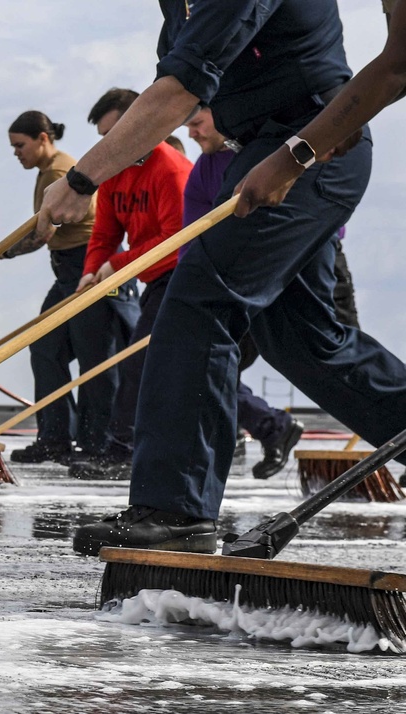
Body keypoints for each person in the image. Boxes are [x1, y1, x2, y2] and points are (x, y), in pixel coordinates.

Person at [35, 0, 406, 557]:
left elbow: (181, 88)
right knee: (304, 340)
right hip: (260, 150)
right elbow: (178, 78)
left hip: (313, 144)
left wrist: (83, 178)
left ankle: (175, 510)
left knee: (199, 306)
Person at [66, 90, 193, 480]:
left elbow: (176, 239)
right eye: (104, 137)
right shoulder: (113, 172)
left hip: (183, 275)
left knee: (142, 362)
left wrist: (115, 266)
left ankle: (122, 450)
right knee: (160, 365)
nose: (110, 144)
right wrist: (90, 272)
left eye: (114, 134)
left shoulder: (170, 169)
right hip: (151, 277)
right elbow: (105, 233)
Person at [4, 109, 139, 465]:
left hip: (89, 267)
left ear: (42, 139)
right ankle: (55, 437)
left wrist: (7, 251)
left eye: (20, 145)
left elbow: (43, 233)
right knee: (45, 349)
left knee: (95, 358)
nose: (16, 153)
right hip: (66, 271)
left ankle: (98, 443)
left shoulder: (60, 171)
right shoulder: (49, 170)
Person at [182, 106, 304, 480]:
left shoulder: (265, 156)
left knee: (322, 359)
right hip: (227, 280)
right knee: (206, 367)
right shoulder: (204, 169)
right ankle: (264, 427)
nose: (191, 133)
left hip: (284, 271)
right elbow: (190, 235)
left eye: (197, 123)